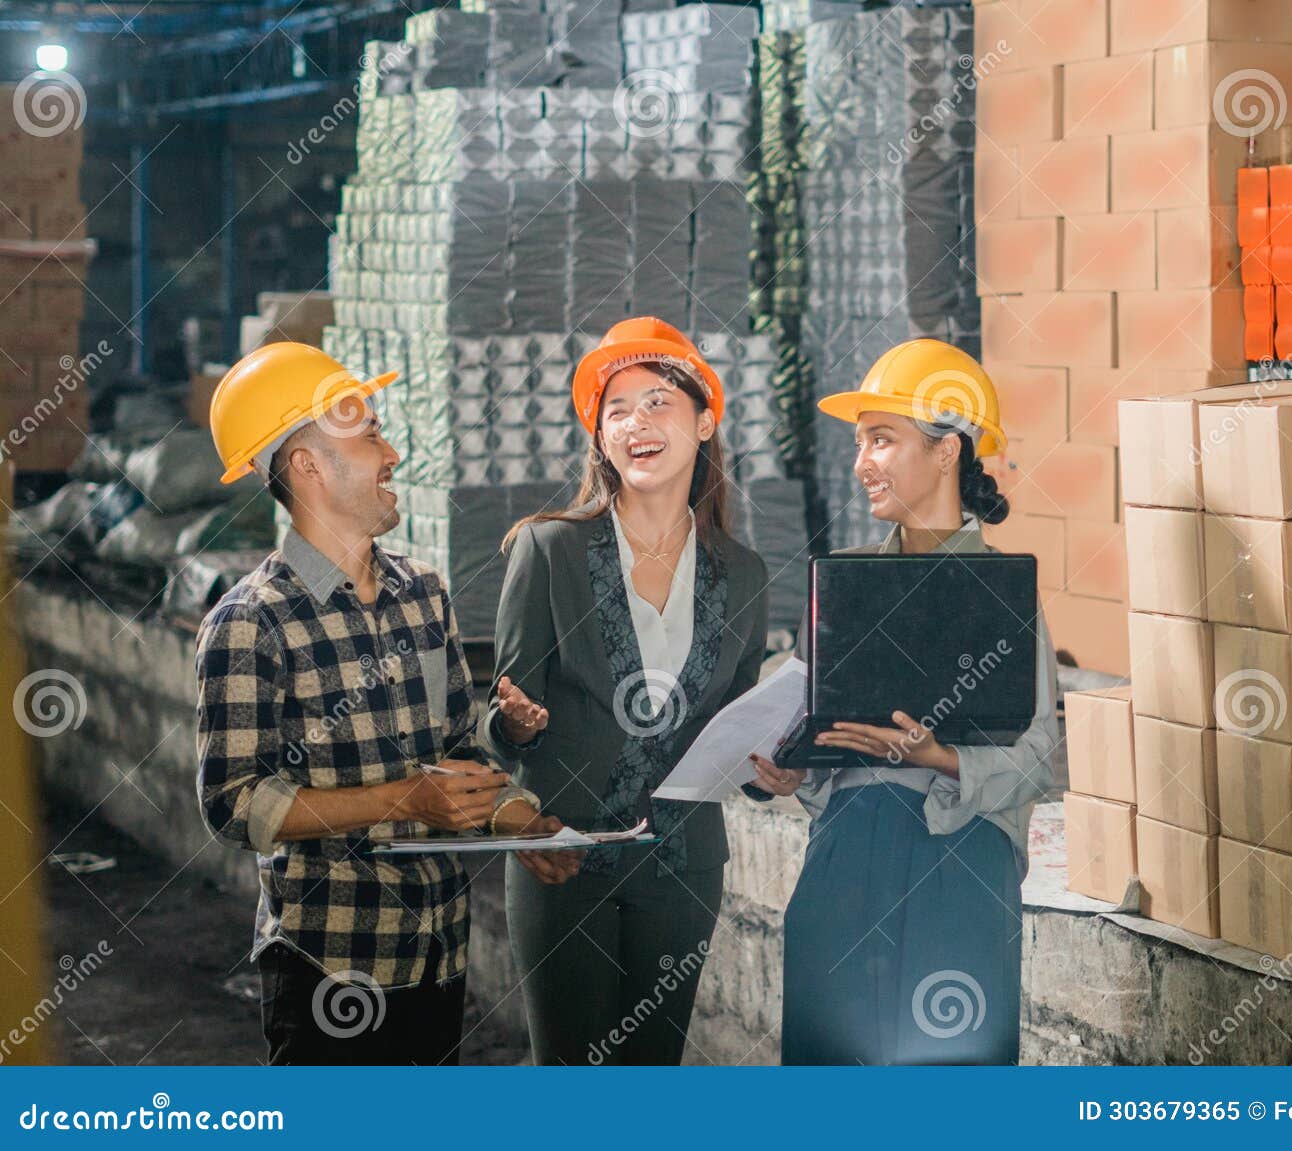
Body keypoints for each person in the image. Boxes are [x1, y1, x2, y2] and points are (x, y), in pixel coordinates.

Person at [195, 342, 556, 1066]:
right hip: (330, 961)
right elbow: (234, 805)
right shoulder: (250, 621)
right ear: (309, 466)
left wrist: (521, 819)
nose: (392, 454)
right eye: (369, 435)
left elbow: (455, 747)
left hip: (437, 952)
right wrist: (404, 802)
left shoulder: (421, 594)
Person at [749, 339, 1061, 1065]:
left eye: (881, 440)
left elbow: (1039, 758)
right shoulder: (845, 589)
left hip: (961, 864)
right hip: (845, 861)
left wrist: (938, 756)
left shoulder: (1004, 592)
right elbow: (816, 735)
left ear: (948, 450)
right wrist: (798, 772)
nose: (861, 463)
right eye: (860, 443)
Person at [482, 317, 769, 1065]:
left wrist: (774, 770)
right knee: (572, 1075)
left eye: (657, 403)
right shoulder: (549, 550)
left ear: (704, 423)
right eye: (616, 409)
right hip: (565, 859)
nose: (635, 422)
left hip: (683, 865)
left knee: (652, 1072)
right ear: (600, 438)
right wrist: (515, 725)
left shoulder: (741, 574)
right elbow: (498, 718)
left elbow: (738, 728)